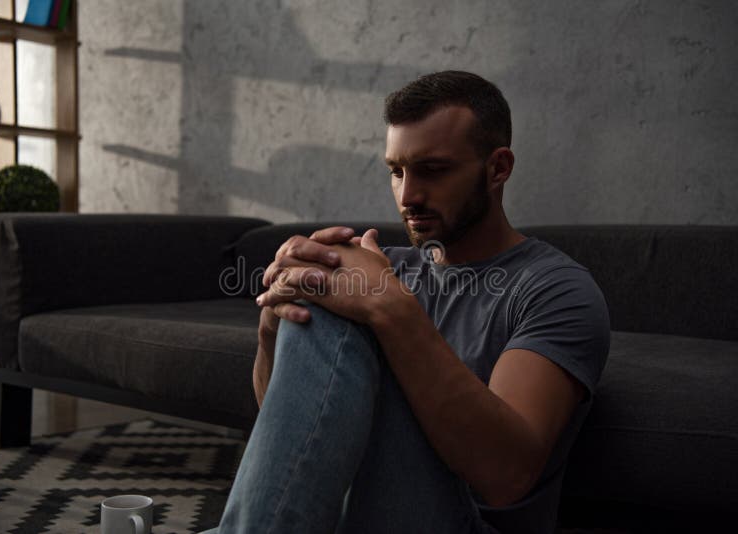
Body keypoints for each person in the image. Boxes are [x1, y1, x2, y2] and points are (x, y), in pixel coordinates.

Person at [206, 71, 610, 534]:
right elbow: (301, 439)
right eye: (397, 171)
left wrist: (392, 308)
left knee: (343, 291)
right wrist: (273, 324)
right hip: (349, 515)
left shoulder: (555, 288)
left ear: (498, 168)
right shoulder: (385, 267)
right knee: (325, 283)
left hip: (463, 523)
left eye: (433, 170)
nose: (408, 195)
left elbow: (506, 475)